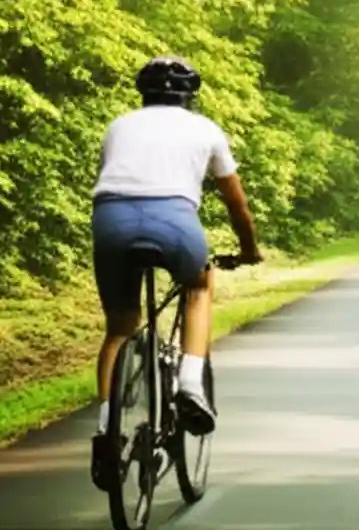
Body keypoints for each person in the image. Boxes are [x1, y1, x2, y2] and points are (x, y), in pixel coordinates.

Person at [87, 55, 262, 490]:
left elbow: (111, 175)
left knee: (120, 328)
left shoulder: (119, 125)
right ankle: (189, 384)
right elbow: (236, 204)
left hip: (111, 220)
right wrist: (249, 250)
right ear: (190, 95)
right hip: (174, 222)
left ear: (143, 92)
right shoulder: (206, 130)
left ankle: (107, 430)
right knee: (199, 284)